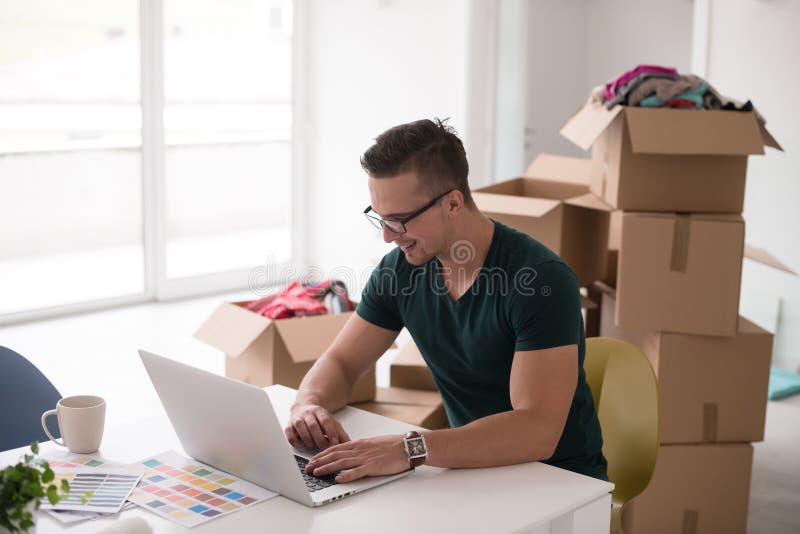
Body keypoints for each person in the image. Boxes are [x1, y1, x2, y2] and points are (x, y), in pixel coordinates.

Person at [285, 118, 607, 483]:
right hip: (470, 471)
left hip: (560, 482)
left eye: (400, 221)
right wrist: (307, 404)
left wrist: (411, 449)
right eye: (381, 219)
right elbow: (342, 362)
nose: (388, 237)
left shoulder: (540, 280)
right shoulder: (401, 271)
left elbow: (536, 430)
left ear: (453, 203)